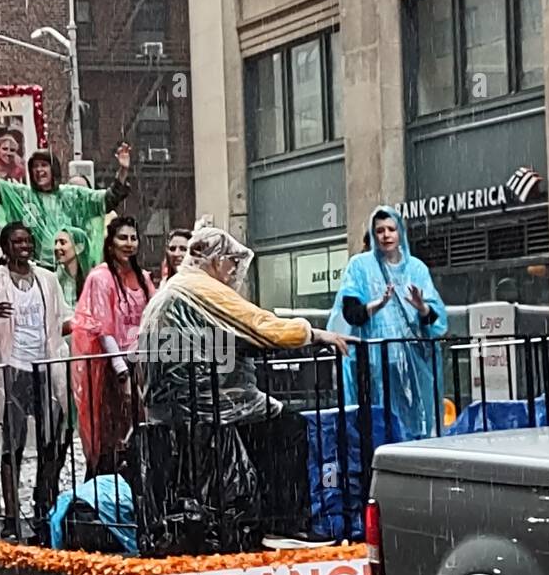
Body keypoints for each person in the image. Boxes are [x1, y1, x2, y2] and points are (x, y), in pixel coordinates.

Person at [136, 227, 351, 553]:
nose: (235, 269)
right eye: (230, 261)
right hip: (204, 401)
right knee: (288, 427)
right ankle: (284, 524)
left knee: (264, 427)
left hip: (174, 404)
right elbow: (258, 324)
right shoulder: (201, 288)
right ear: (213, 260)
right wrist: (313, 334)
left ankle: (260, 521)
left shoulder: (175, 288)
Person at [0, 223, 72, 539]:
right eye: (17, 242)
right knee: (12, 446)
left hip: (44, 368)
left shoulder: (48, 279)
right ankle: (11, 517)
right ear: (5, 246)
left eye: (28, 241)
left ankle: (44, 509)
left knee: (49, 443)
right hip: (12, 371)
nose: (24, 246)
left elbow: (61, 321)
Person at [328, 205, 449, 439]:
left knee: (413, 418)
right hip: (372, 362)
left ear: (400, 232)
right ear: (373, 235)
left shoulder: (416, 269)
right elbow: (351, 312)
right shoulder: (360, 266)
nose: (386, 235)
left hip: (413, 361)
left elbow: (436, 321)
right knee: (375, 421)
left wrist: (421, 307)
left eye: (391, 229)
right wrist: (378, 304)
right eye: (380, 230)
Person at [0, 121, 132, 271]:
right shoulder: (23, 196)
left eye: (44, 165)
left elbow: (109, 199)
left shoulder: (72, 195)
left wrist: (123, 171)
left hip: (70, 269)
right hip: (37, 270)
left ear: (54, 169)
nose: (39, 170)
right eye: (35, 167)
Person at [71, 215, 154, 479]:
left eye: (133, 238)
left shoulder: (142, 277)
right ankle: (100, 492)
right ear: (110, 242)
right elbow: (101, 324)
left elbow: (153, 316)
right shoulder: (100, 277)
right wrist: (120, 368)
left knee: (138, 430)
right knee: (110, 436)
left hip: (141, 362)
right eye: (122, 238)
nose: (128, 244)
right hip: (112, 366)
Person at [52, 226, 90, 309]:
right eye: (55, 243)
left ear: (79, 247)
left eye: (62, 242)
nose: (56, 247)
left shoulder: (91, 280)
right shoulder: (54, 280)